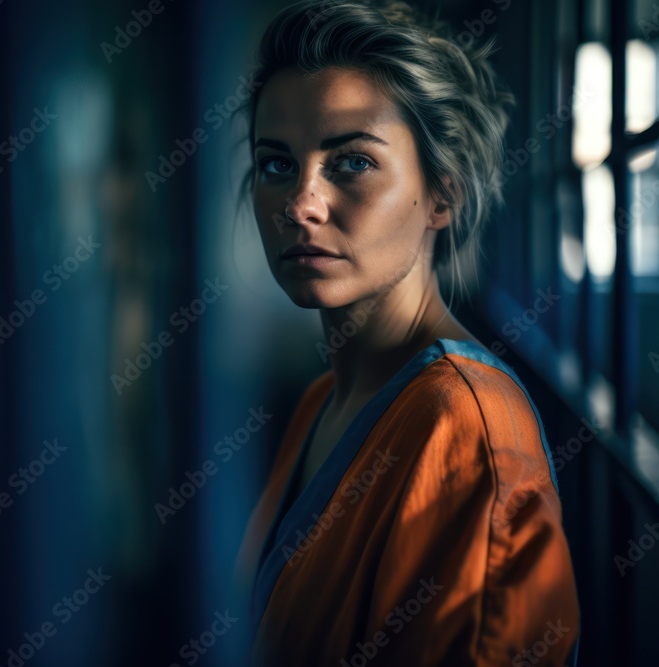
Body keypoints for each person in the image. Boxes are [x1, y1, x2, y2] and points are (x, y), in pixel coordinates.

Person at [234, 1, 581, 665]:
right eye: (276, 164)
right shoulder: (321, 400)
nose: (301, 203)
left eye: (353, 162)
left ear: (441, 196)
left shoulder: (464, 425)